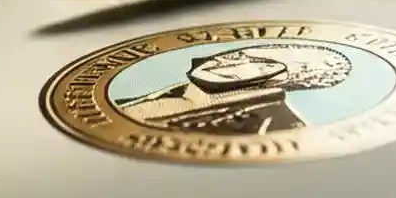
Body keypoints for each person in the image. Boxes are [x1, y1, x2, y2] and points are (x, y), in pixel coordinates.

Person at [116, 43, 352, 135]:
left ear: (275, 77)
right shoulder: (175, 92)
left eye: (243, 57)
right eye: (237, 52)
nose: (221, 58)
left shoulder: (275, 127)